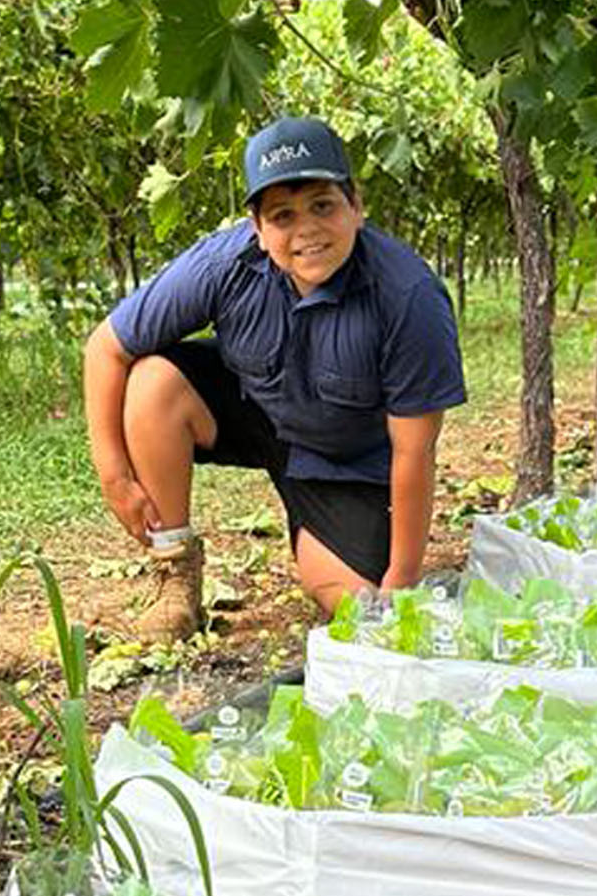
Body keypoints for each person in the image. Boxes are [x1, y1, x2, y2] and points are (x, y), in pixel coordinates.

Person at [83, 116, 466, 640]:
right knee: (152, 379)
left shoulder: (408, 298)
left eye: (322, 205)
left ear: (356, 205)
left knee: (359, 608)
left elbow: (414, 451)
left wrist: (402, 577)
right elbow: (106, 347)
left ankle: (331, 546)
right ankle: (175, 573)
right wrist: (114, 475)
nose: (305, 229)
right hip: (253, 410)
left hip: (344, 462)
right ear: (258, 231)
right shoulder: (222, 265)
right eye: (282, 215)